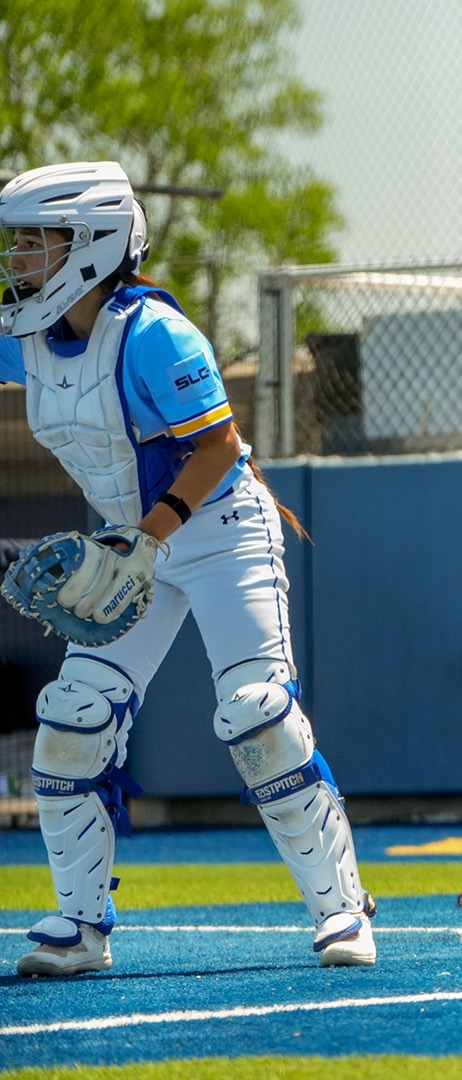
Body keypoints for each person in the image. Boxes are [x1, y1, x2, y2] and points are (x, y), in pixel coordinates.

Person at [0, 162, 376, 975]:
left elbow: (218, 448)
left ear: (91, 247)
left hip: (216, 527)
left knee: (257, 715)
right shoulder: (30, 333)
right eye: (18, 240)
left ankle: (342, 910)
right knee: (70, 718)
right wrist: (135, 541)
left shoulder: (154, 334)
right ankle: (81, 928)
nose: (19, 257)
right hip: (132, 539)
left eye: (36, 241)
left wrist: (150, 536)